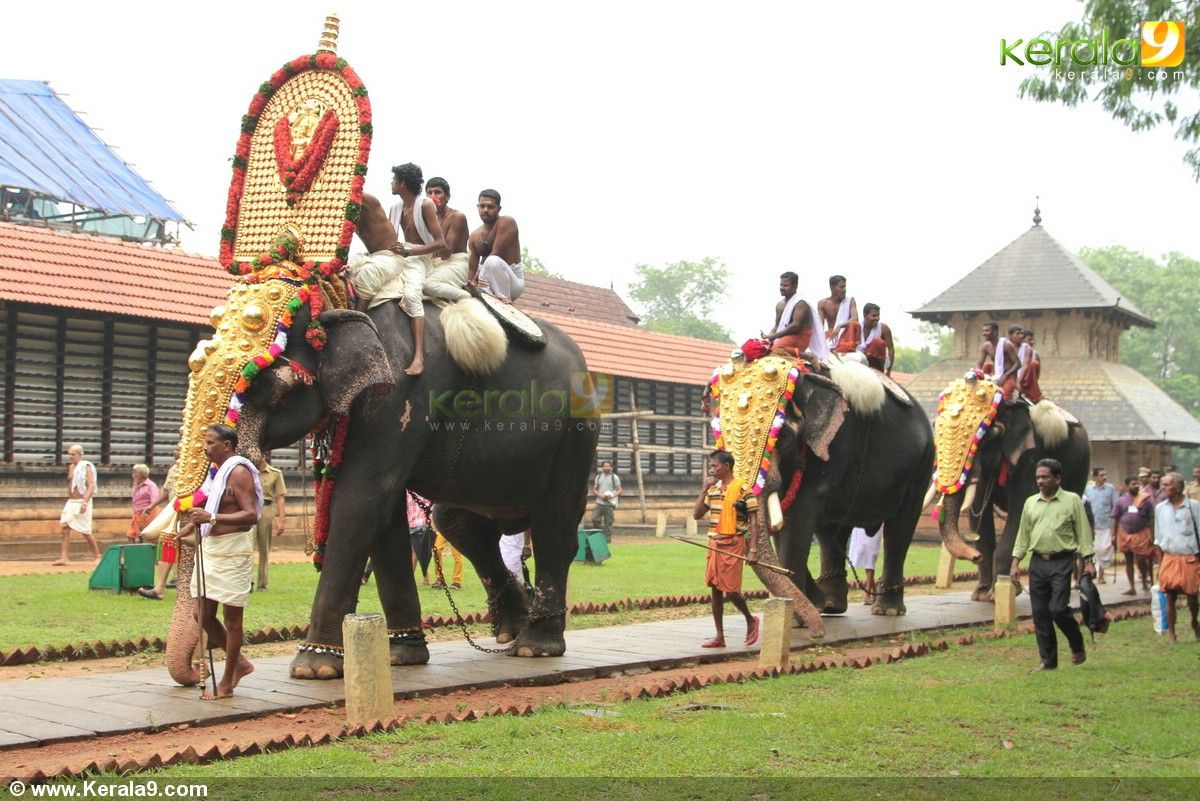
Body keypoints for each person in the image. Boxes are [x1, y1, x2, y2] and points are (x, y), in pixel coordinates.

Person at [187, 424, 262, 700]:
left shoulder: (239, 472)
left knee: (233, 620)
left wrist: (211, 518)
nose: (205, 448)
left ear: (227, 445)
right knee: (201, 614)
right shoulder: (217, 474)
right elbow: (213, 509)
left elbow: (251, 515)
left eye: (210, 443)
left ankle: (227, 681)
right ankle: (240, 664)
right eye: (205, 442)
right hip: (212, 548)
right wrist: (193, 525)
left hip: (233, 551)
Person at [1011, 458, 1094, 673]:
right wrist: (1015, 562)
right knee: (1040, 613)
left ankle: (1076, 643)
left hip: (1062, 561)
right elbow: (1023, 535)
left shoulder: (1072, 500)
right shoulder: (1031, 503)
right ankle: (1048, 661)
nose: (1040, 481)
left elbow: (1084, 533)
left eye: (1045, 477)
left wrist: (1089, 562)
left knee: (1057, 609)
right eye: (1038, 477)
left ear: (1057, 478)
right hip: (1038, 562)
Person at [344, 190, 430, 375]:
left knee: (410, 295)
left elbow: (441, 244)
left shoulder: (365, 199)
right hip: (377, 255)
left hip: (402, 256)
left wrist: (408, 252)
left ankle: (358, 320)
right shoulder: (395, 208)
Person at [692, 450, 760, 649]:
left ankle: (751, 620)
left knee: (730, 591)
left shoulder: (743, 489)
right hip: (714, 543)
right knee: (715, 589)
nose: (712, 469)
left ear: (727, 467)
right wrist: (704, 490)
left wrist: (753, 550)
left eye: (715, 466)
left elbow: (753, 521)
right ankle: (719, 636)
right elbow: (696, 515)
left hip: (733, 543)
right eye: (711, 466)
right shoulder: (712, 490)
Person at [1152, 472, 1200, 642]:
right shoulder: (1160, 508)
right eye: (1163, 484)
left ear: (1178, 487)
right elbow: (1158, 537)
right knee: (1170, 595)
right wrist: (1160, 562)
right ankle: (1172, 633)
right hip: (1169, 557)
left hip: (1189, 557)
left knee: (1192, 595)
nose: (1163, 487)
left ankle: (1194, 621)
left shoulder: (1193, 506)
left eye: (1167, 484)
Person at [139, 447, 181, 600]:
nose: (175, 452)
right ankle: (159, 588)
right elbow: (166, 491)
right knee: (167, 541)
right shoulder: (174, 469)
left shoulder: (200, 466)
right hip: (174, 510)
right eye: (175, 449)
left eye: (179, 449)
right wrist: (152, 506)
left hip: (193, 511)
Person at [468, 189, 524, 303]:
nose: (485, 210)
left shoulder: (507, 222)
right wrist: (468, 287)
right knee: (462, 261)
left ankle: (503, 300)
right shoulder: (474, 236)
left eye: (490, 207)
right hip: (486, 281)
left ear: (499, 209)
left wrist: (475, 281)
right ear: (478, 207)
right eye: (482, 206)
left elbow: (496, 253)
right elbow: (472, 269)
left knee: (492, 260)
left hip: (512, 283)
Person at [422, 177, 471, 303]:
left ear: (447, 197)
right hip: (433, 263)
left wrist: (434, 223)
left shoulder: (457, 217)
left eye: (437, 192)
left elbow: (445, 253)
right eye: (429, 193)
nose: (433, 196)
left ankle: (467, 298)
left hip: (456, 262)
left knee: (429, 285)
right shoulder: (426, 217)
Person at [764, 272, 828, 363]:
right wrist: (767, 339)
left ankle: (808, 356)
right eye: (781, 285)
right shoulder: (780, 305)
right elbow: (776, 326)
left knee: (776, 350)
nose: (782, 288)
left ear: (795, 286)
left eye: (786, 285)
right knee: (762, 350)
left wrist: (774, 336)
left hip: (800, 336)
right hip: (784, 337)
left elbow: (795, 326)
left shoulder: (801, 302)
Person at [52, 443, 100, 565]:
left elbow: (91, 485)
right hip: (71, 502)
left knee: (85, 531)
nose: (71, 457)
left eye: (73, 454)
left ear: (80, 454)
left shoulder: (86, 466)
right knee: (65, 528)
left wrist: (85, 502)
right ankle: (64, 558)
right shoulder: (71, 467)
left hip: (82, 501)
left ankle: (97, 555)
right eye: (70, 454)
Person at [1113, 471, 1155, 595]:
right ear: (1127, 486)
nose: (1136, 486)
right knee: (1128, 560)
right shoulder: (1121, 501)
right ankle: (1132, 587)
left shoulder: (1146, 501)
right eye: (1133, 484)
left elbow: (1151, 518)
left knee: (1142, 559)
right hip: (1125, 534)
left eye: (1137, 484)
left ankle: (1145, 583)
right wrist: (1113, 535)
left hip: (1141, 534)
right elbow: (1115, 518)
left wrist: (1153, 534)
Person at [252, 453, 287, 591]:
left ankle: (262, 583)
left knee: (264, 547)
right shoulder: (248, 471)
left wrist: (281, 519)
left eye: (257, 454)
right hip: (249, 508)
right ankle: (247, 582)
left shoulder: (275, 473)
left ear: (264, 456)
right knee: (247, 546)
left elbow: (280, 497)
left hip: (265, 510)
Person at [1083, 467, 1117, 583]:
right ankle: (1092, 574)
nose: (1104, 477)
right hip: (1091, 526)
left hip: (1105, 525)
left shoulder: (1110, 489)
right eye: (1101, 475)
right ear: (1095, 477)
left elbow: (1114, 508)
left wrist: (1113, 529)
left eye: (1105, 475)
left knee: (1104, 551)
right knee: (1093, 551)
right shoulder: (1088, 489)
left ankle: (1101, 575)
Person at [976, 322, 1019, 402]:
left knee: (1004, 396)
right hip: (995, 376)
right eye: (983, 331)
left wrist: (1005, 375)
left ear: (995, 332)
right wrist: (978, 373)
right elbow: (979, 364)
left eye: (987, 331)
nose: (984, 333)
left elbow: (1017, 363)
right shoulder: (985, 347)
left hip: (1009, 377)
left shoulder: (1006, 345)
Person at [817, 275, 860, 354]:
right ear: (832, 288)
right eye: (841, 287)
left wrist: (840, 326)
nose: (844, 290)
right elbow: (820, 326)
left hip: (846, 336)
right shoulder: (822, 304)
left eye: (845, 287)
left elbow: (855, 318)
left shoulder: (850, 300)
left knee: (854, 324)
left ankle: (845, 347)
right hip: (831, 335)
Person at [848, 524, 883, 603]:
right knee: (867, 560)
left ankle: (867, 595)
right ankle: (874, 592)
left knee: (870, 558)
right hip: (860, 528)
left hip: (875, 526)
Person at [857, 303, 894, 375]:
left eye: (878, 315)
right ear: (865, 315)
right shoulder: (857, 326)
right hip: (858, 362)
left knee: (878, 342)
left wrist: (888, 371)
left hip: (875, 365)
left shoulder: (884, 328)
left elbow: (890, 349)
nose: (877, 318)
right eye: (874, 316)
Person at [591, 460, 622, 543]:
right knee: (594, 519)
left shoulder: (614, 477)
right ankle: (600, 535)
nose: (607, 468)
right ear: (602, 467)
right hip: (599, 502)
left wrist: (612, 496)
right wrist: (600, 496)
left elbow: (619, 490)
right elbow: (594, 489)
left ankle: (607, 540)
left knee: (608, 522)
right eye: (605, 466)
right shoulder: (598, 477)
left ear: (611, 467)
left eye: (608, 466)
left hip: (609, 504)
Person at [127, 464, 159, 544]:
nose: (133, 475)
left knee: (148, 536)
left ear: (141, 474)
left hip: (148, 513)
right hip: (137, 515)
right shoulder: (136, 484)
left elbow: (154, 501)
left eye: (135, 472)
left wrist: (147, 512)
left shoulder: (151, 485)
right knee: (131, 535)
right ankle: (134, 551)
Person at [408, 492, 433, 586]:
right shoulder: (410, 493)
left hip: (421, 524)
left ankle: (411, 579)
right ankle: (426, 577)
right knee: (417, 552)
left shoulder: (411, 493)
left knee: (416, 552)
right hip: (412, 524)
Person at [431, 522, 464, 590]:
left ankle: (456, 582)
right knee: (436, 550)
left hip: (456, 529)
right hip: (444, 528)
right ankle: (439, 579)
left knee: (457, 556)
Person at [1018, 328, 1043, 401]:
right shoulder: (1015, 350)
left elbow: (1036, 375)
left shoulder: (1035, 355)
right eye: (1029, 340)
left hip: (1029, 383)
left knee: (1034, 364)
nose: (1032, 342)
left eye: (1032, 340)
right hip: (1017, 380)